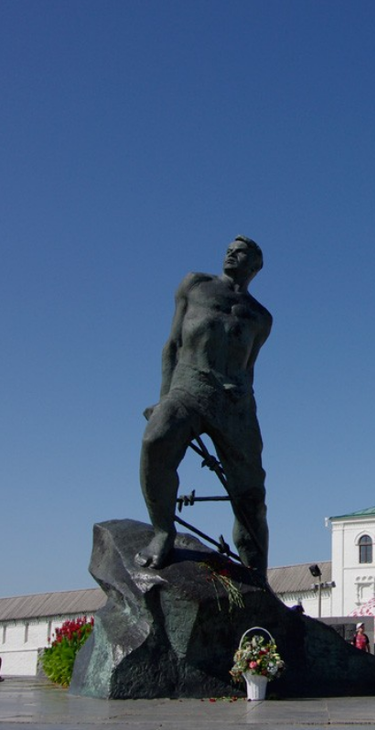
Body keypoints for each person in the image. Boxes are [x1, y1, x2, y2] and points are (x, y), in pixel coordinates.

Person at [136, 237, 273, 575]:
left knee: (251, 496)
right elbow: (173, 344)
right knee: (155, 442)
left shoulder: (261, 317)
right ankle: (163, 532)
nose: (231, 253)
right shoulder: (195, 285)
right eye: (229, 248)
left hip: (235, 404)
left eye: (241, 251)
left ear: (256, 265)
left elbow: (248, 366)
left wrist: (245, 403)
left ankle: (256, 575)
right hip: (189, 387)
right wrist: (164, 396)